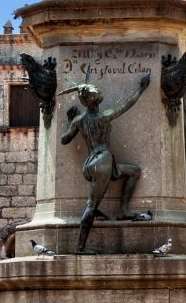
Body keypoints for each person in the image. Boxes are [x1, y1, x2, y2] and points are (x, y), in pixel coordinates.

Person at [60, 74, 151, 252]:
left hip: (94, 162)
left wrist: (72, 123)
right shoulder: (104, 117)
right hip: (103, 161)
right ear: (94, 101)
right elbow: (126, 105)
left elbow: (64, 140)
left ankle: (123, 210)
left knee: (134, 172)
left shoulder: (80, 120)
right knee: (92, 206)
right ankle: (80, 247)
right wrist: (140, 89)